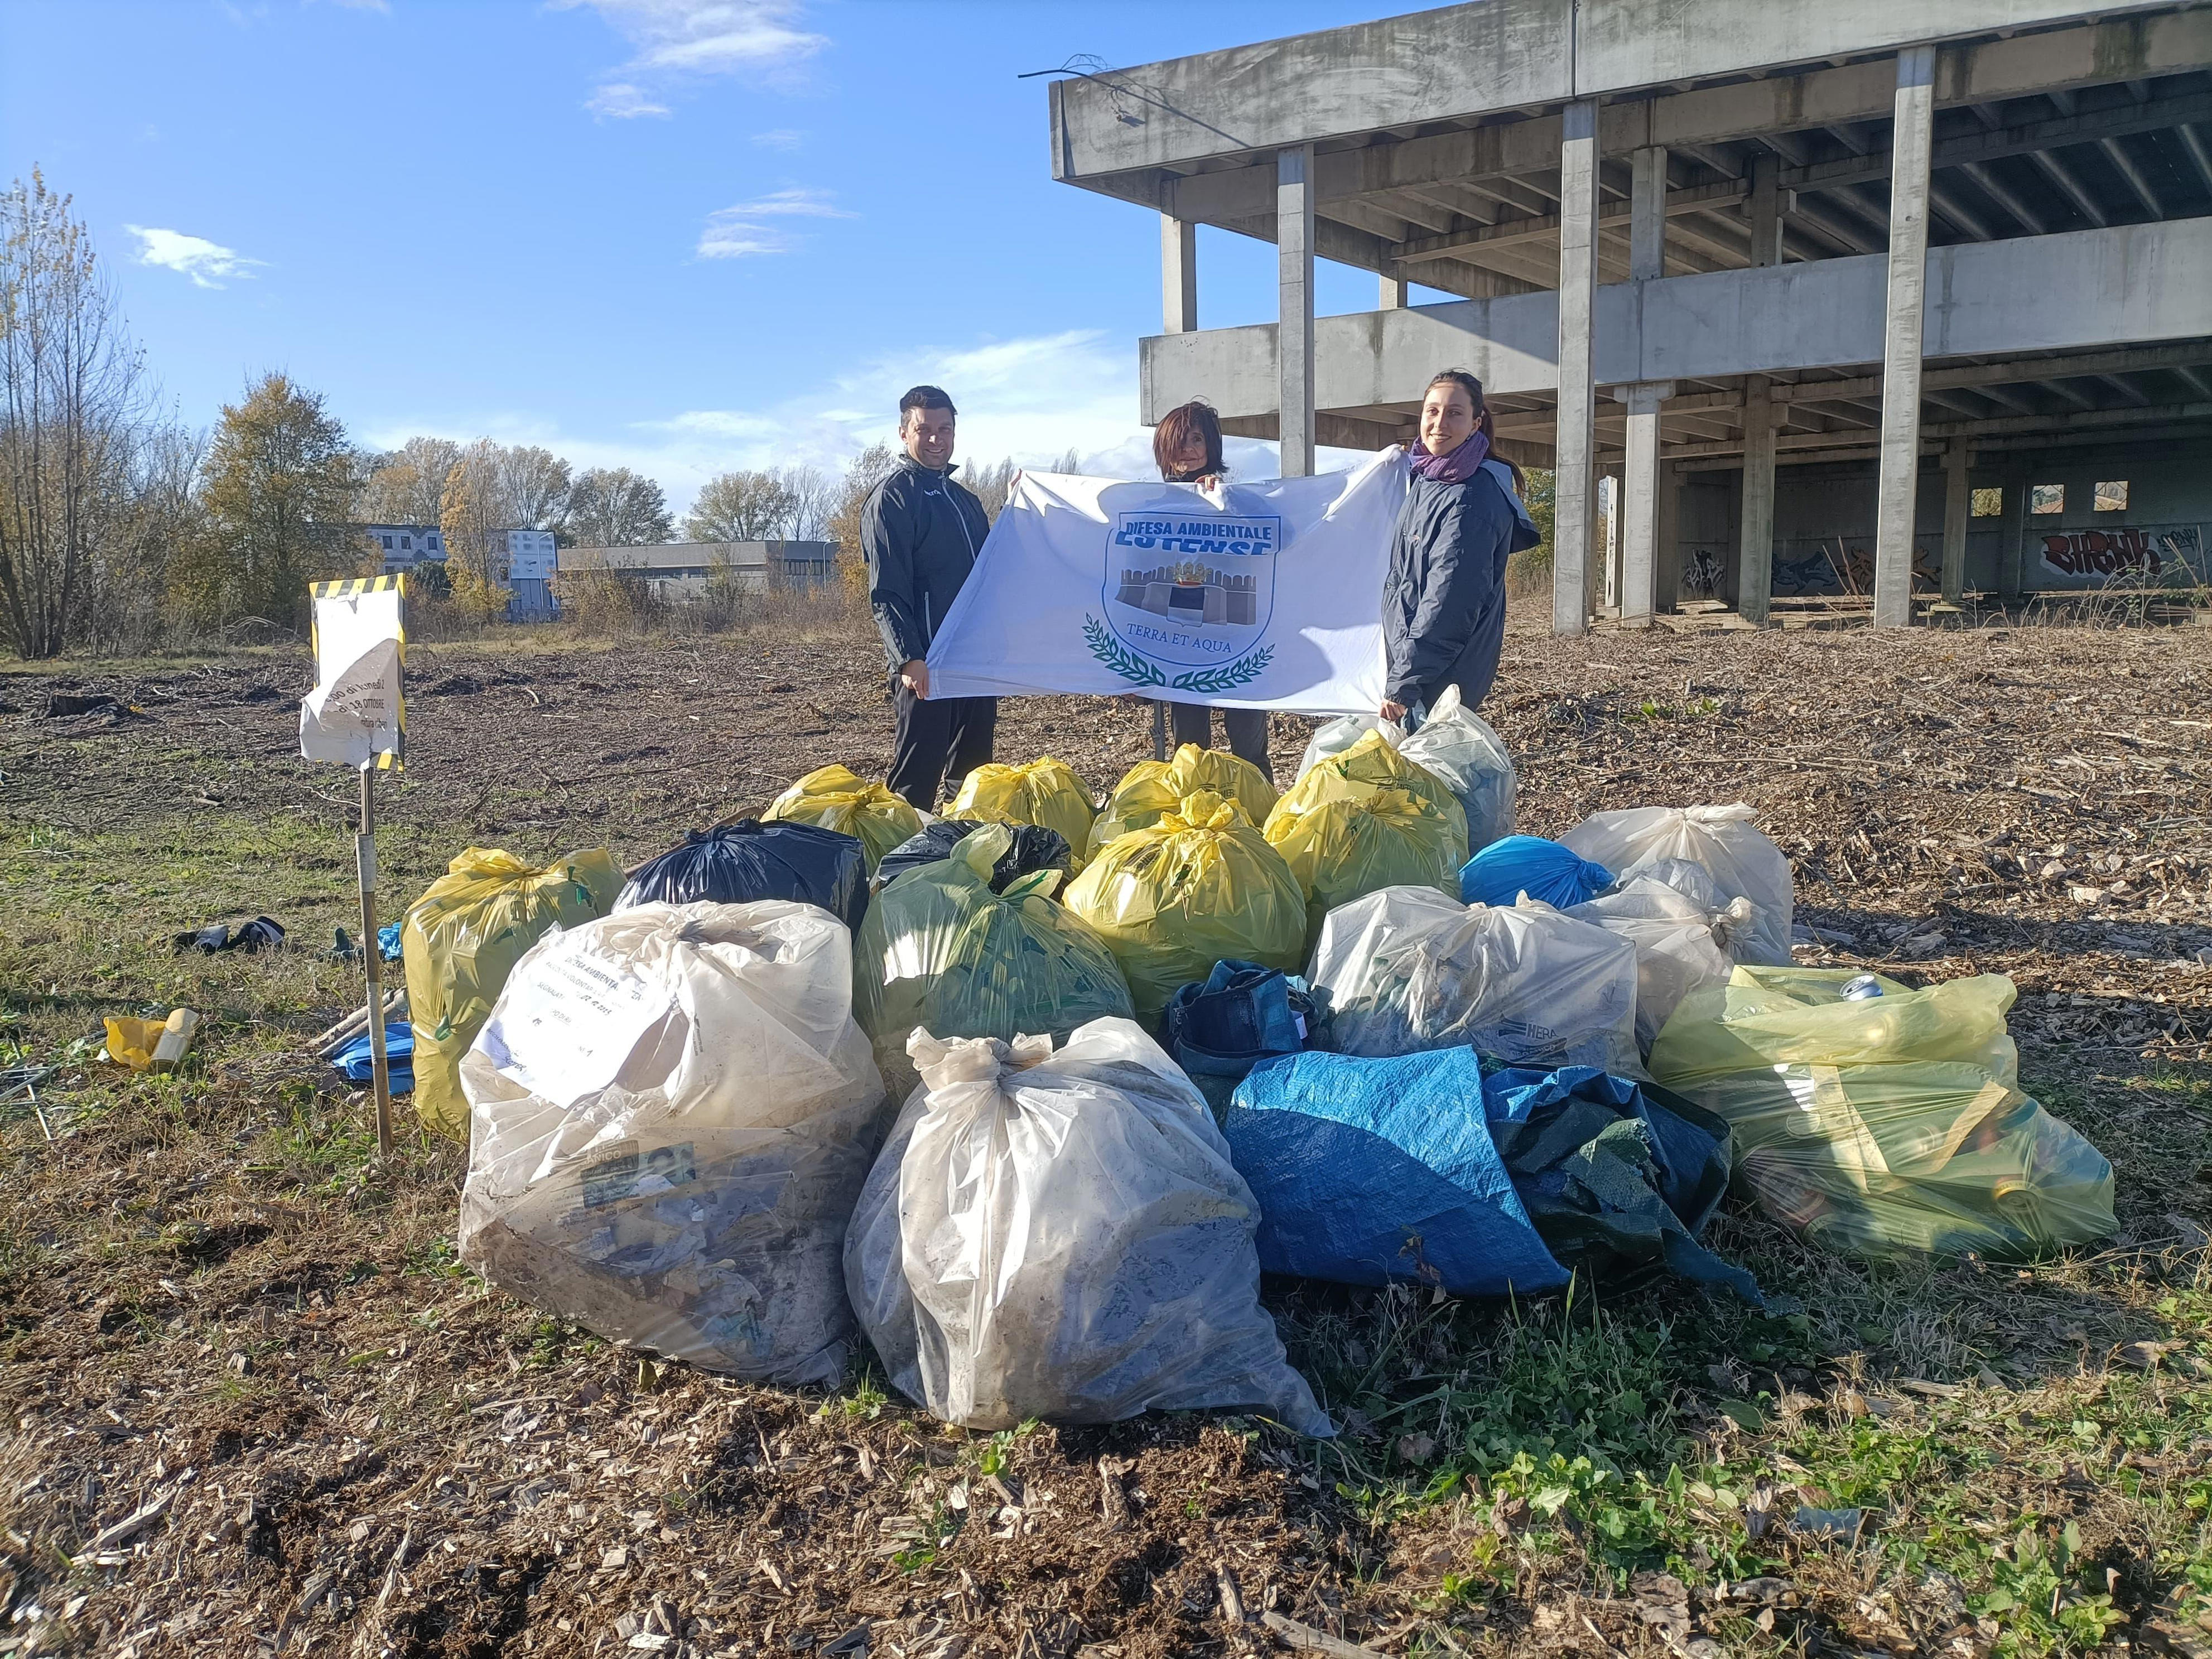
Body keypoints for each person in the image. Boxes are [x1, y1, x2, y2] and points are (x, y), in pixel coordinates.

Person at [1380, 369, 1541, 724]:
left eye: (1455, 413)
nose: (1439, 423)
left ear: (1475, 424)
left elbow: (1450, 600)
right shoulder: (1428, 478)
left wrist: (1404, 683)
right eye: (1432, 411)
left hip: (1441, 674)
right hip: (1420, 665)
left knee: (1431, 776)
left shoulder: (1472, 497)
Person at [864, 384, 997, 809]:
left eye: (945, 429)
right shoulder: (893, 498)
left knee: (973, 779)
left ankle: (964, 860)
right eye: (925, 430)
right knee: (915, 783)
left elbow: (994, 575)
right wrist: (908, 658)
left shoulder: (966, 502)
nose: (937, 439)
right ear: (904, 433)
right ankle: (899, 870)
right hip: (927, 663)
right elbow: (887, 591)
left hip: (972, 662)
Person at [1151, 400, 1273, 780]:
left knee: (1249, 747)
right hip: (1180, 641)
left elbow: (1275, 543)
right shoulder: (1149, 506)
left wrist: (1228, 503)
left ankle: (1261, 823)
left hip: (1235, 637)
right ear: (1163, 449)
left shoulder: (1236, 499)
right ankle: (1192, 824)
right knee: (1189, 749)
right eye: (1178, 440)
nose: (1187, 448)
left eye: (1197, 438)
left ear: (1212, 448)